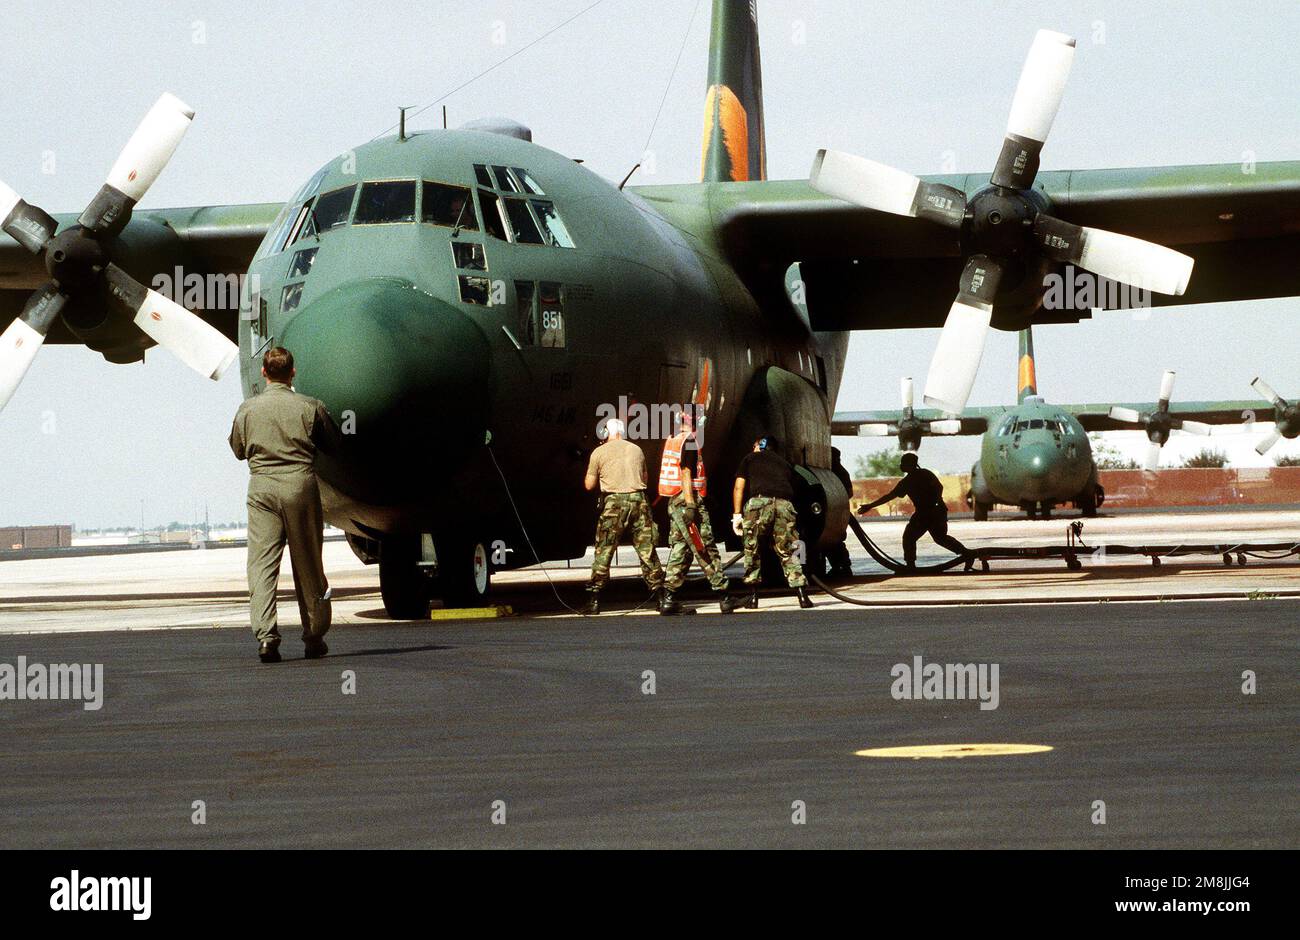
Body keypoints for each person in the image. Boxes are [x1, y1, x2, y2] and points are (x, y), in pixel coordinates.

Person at [229, 347, 340, 663]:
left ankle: (266, 638)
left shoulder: (247, 410)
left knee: (261, 567)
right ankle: (314, 636)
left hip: (261, 488)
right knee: (308, 565)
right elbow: (333, 446)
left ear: (264, 373)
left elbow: (238, 449)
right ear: (293, 372)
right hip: (299, 485)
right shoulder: (310, 406)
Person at [581, 418, 667, 615]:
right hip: (639, 501)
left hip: (614, 503)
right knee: (647, 550)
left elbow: (589, 485)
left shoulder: (598, 452)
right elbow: (645, 477)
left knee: (604, 550)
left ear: (605, 432)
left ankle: (594, 600)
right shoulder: (637, 449)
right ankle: (661, 598)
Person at [721, 435, 814, 612]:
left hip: (759, 503)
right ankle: (802, 596)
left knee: (752, 549)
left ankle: (753, 597)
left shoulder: (749, 458)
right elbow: (796, 488)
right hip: (784, 505)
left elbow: (739, 487)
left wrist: (737, 515)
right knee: (788, 550)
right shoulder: (784, 463)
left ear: (759, 446)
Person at [658, 410, 729, 614]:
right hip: (686, 500)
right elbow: (686, 473)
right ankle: (724, 595)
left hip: (675, 501)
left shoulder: (673, 440)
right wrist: (691, 505)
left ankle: (669, 598)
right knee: (704, 546)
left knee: (682, 548)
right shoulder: (688, 441)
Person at [857, 452, 970, 572]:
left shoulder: (908, 481)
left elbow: (890, 496)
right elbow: (939, 487)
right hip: (937, 511)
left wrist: (870, 506)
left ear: (909, 464)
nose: (901, 465)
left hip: (926, 513)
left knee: (909, 537)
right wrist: (936, 501)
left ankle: (910, 565)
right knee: (940, 538)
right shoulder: (925, 474)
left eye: (903, 463)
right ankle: (966, 554)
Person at [824, 446, 855, 579]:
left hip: (836, 511)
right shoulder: (839, 471)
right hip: (838, 510)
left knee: (834, 540)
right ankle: (842, 567)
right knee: (835, 540)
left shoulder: (836, 472)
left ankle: (841, 567)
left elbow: (848, 492)